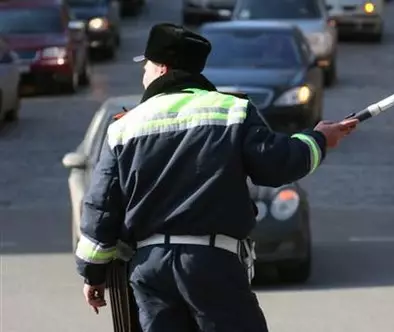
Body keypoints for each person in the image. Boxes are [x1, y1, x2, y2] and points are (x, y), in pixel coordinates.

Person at [75, 23, 358, 332]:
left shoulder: (123, 127)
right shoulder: (232, 112)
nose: (143, 72)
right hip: (212, 263)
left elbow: (101, 207)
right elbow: (279, 164)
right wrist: (318, 139)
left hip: (150, 268)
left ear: (162, 69)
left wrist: (93, 274)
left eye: (147, 65)